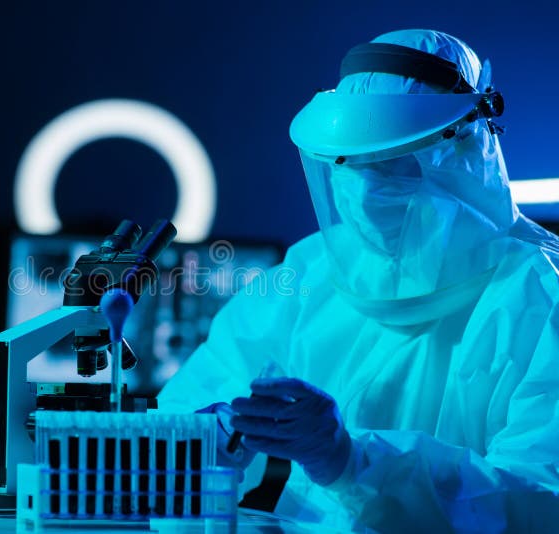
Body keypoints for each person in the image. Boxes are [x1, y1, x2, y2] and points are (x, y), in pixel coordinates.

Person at [158, 29, 559, 533]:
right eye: (351, 166)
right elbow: (189, 408)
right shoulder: (310, 274)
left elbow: (539, 502)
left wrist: (348, 461)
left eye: (394, 165)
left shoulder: (542, 299)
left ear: (465, 153)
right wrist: (208, 437)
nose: (368, 195)